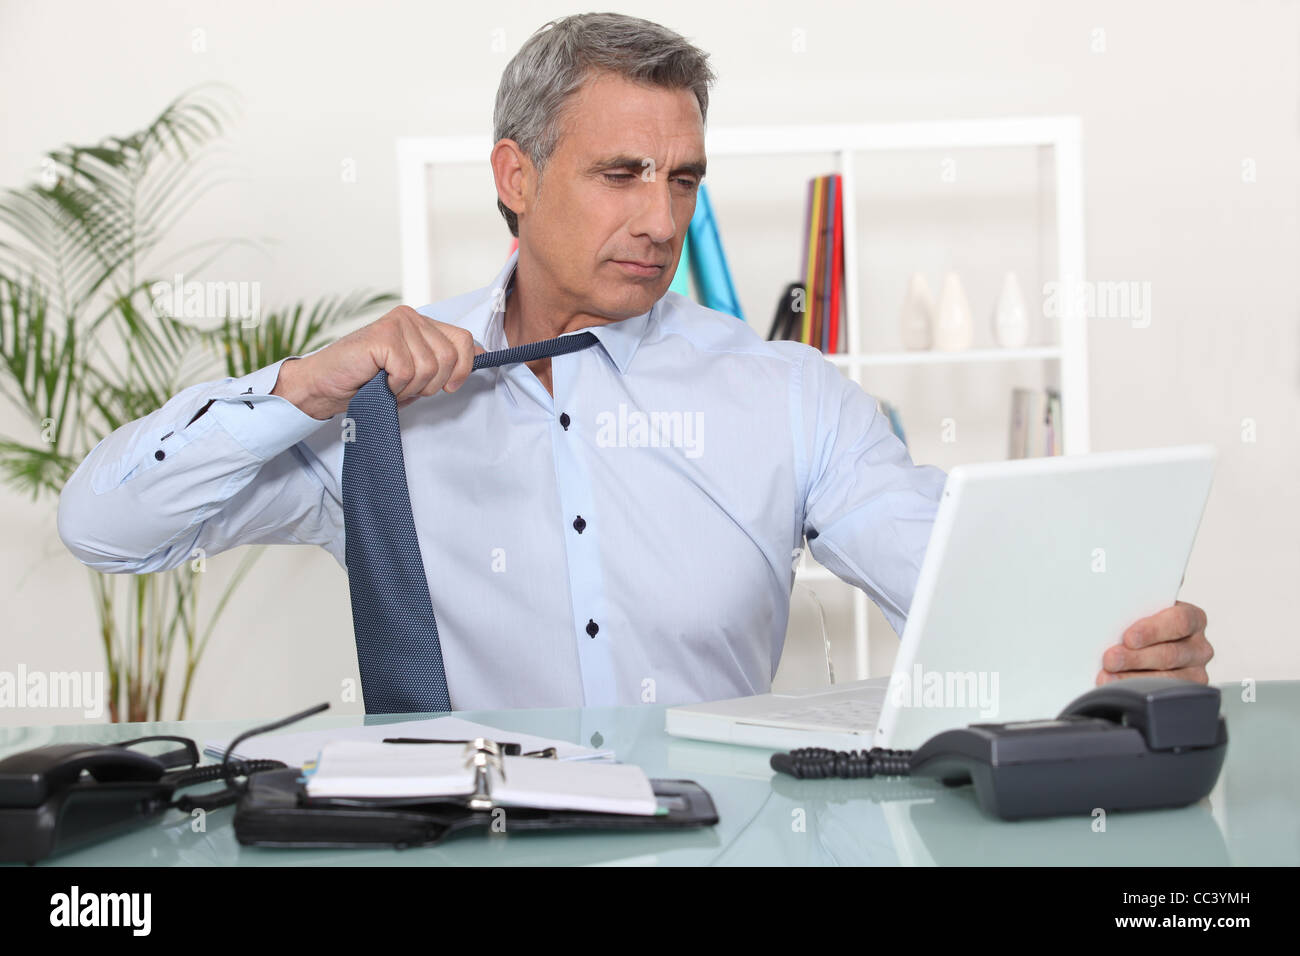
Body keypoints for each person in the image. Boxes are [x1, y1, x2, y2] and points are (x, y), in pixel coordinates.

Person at [56, 13, 1213, 710]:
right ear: (516, 175)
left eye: (684, 178)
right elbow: (107, 524)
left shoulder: (785, 396)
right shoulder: (371, 408)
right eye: (620, 174)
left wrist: (1107, 641)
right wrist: (300, 384)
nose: (660, 219)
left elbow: (952, 567)